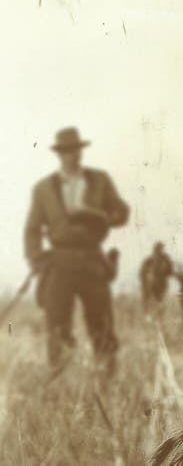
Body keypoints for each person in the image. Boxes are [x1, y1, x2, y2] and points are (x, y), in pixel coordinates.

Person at [24, 127, 129, 368]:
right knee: (57, 324)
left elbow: (121, 212)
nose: (72, 155)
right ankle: (60, 379)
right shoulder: (43, 189)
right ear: (59, 154)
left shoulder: (100, 180)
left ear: (81, 152)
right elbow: (32, 229)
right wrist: (37, 260)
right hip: (59, 263)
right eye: (66, 151)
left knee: (101, 321)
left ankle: (107, 377)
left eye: (76, 150)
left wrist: (101, 217)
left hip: (93, 260)